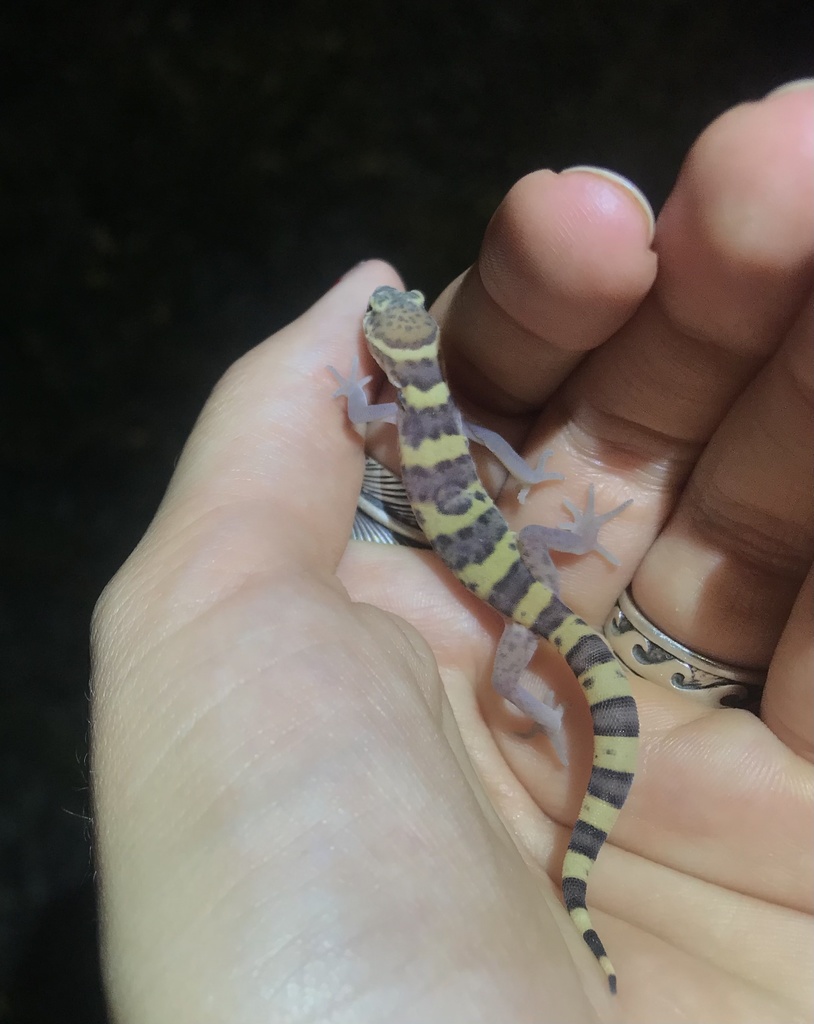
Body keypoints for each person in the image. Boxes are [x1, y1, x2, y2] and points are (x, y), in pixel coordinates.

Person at [91, 80, 813, 1023]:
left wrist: (351, 406)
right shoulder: (432, 405)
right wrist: (567, 526)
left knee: (521, 678)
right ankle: (570, 813)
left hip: (523, 590)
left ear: (397, 357)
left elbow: (377, 417)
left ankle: (565, 799)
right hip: (530, 568)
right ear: (414, 353)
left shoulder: (391, 405)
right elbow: (497, 451)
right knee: (536, 638)